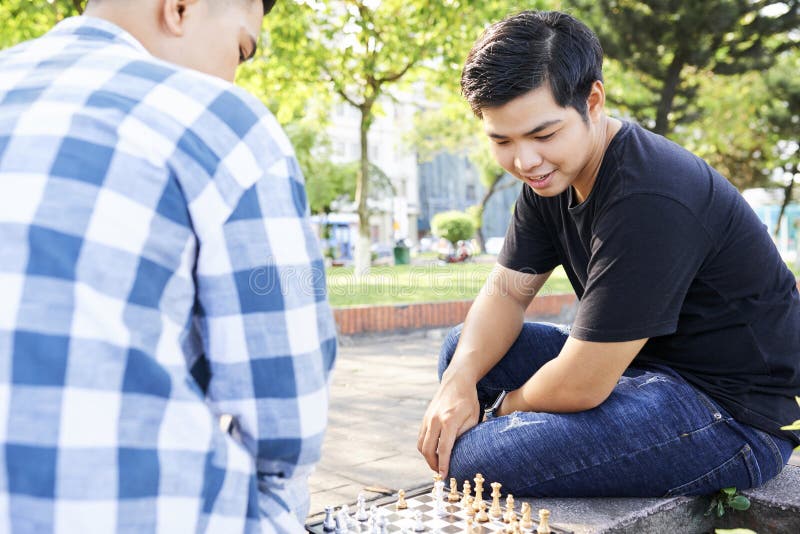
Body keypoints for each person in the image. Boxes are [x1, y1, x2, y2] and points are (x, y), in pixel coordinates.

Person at [418, 10, 800, 497]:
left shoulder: (649, 194)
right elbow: (507, 294)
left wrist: (498, 410)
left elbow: (583, 383)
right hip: (639, 369)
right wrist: (457, 383)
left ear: (592, 101)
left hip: (731, 414)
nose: (525, 161)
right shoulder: (549, 180)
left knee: (472, 458)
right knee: (463, 354)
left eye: (543, 135)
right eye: (502, 140)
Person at [0, 0, 337, 532]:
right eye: (241, 49)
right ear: (179, 8)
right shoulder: (224, 123)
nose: (235, 74)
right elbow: (288, 418)